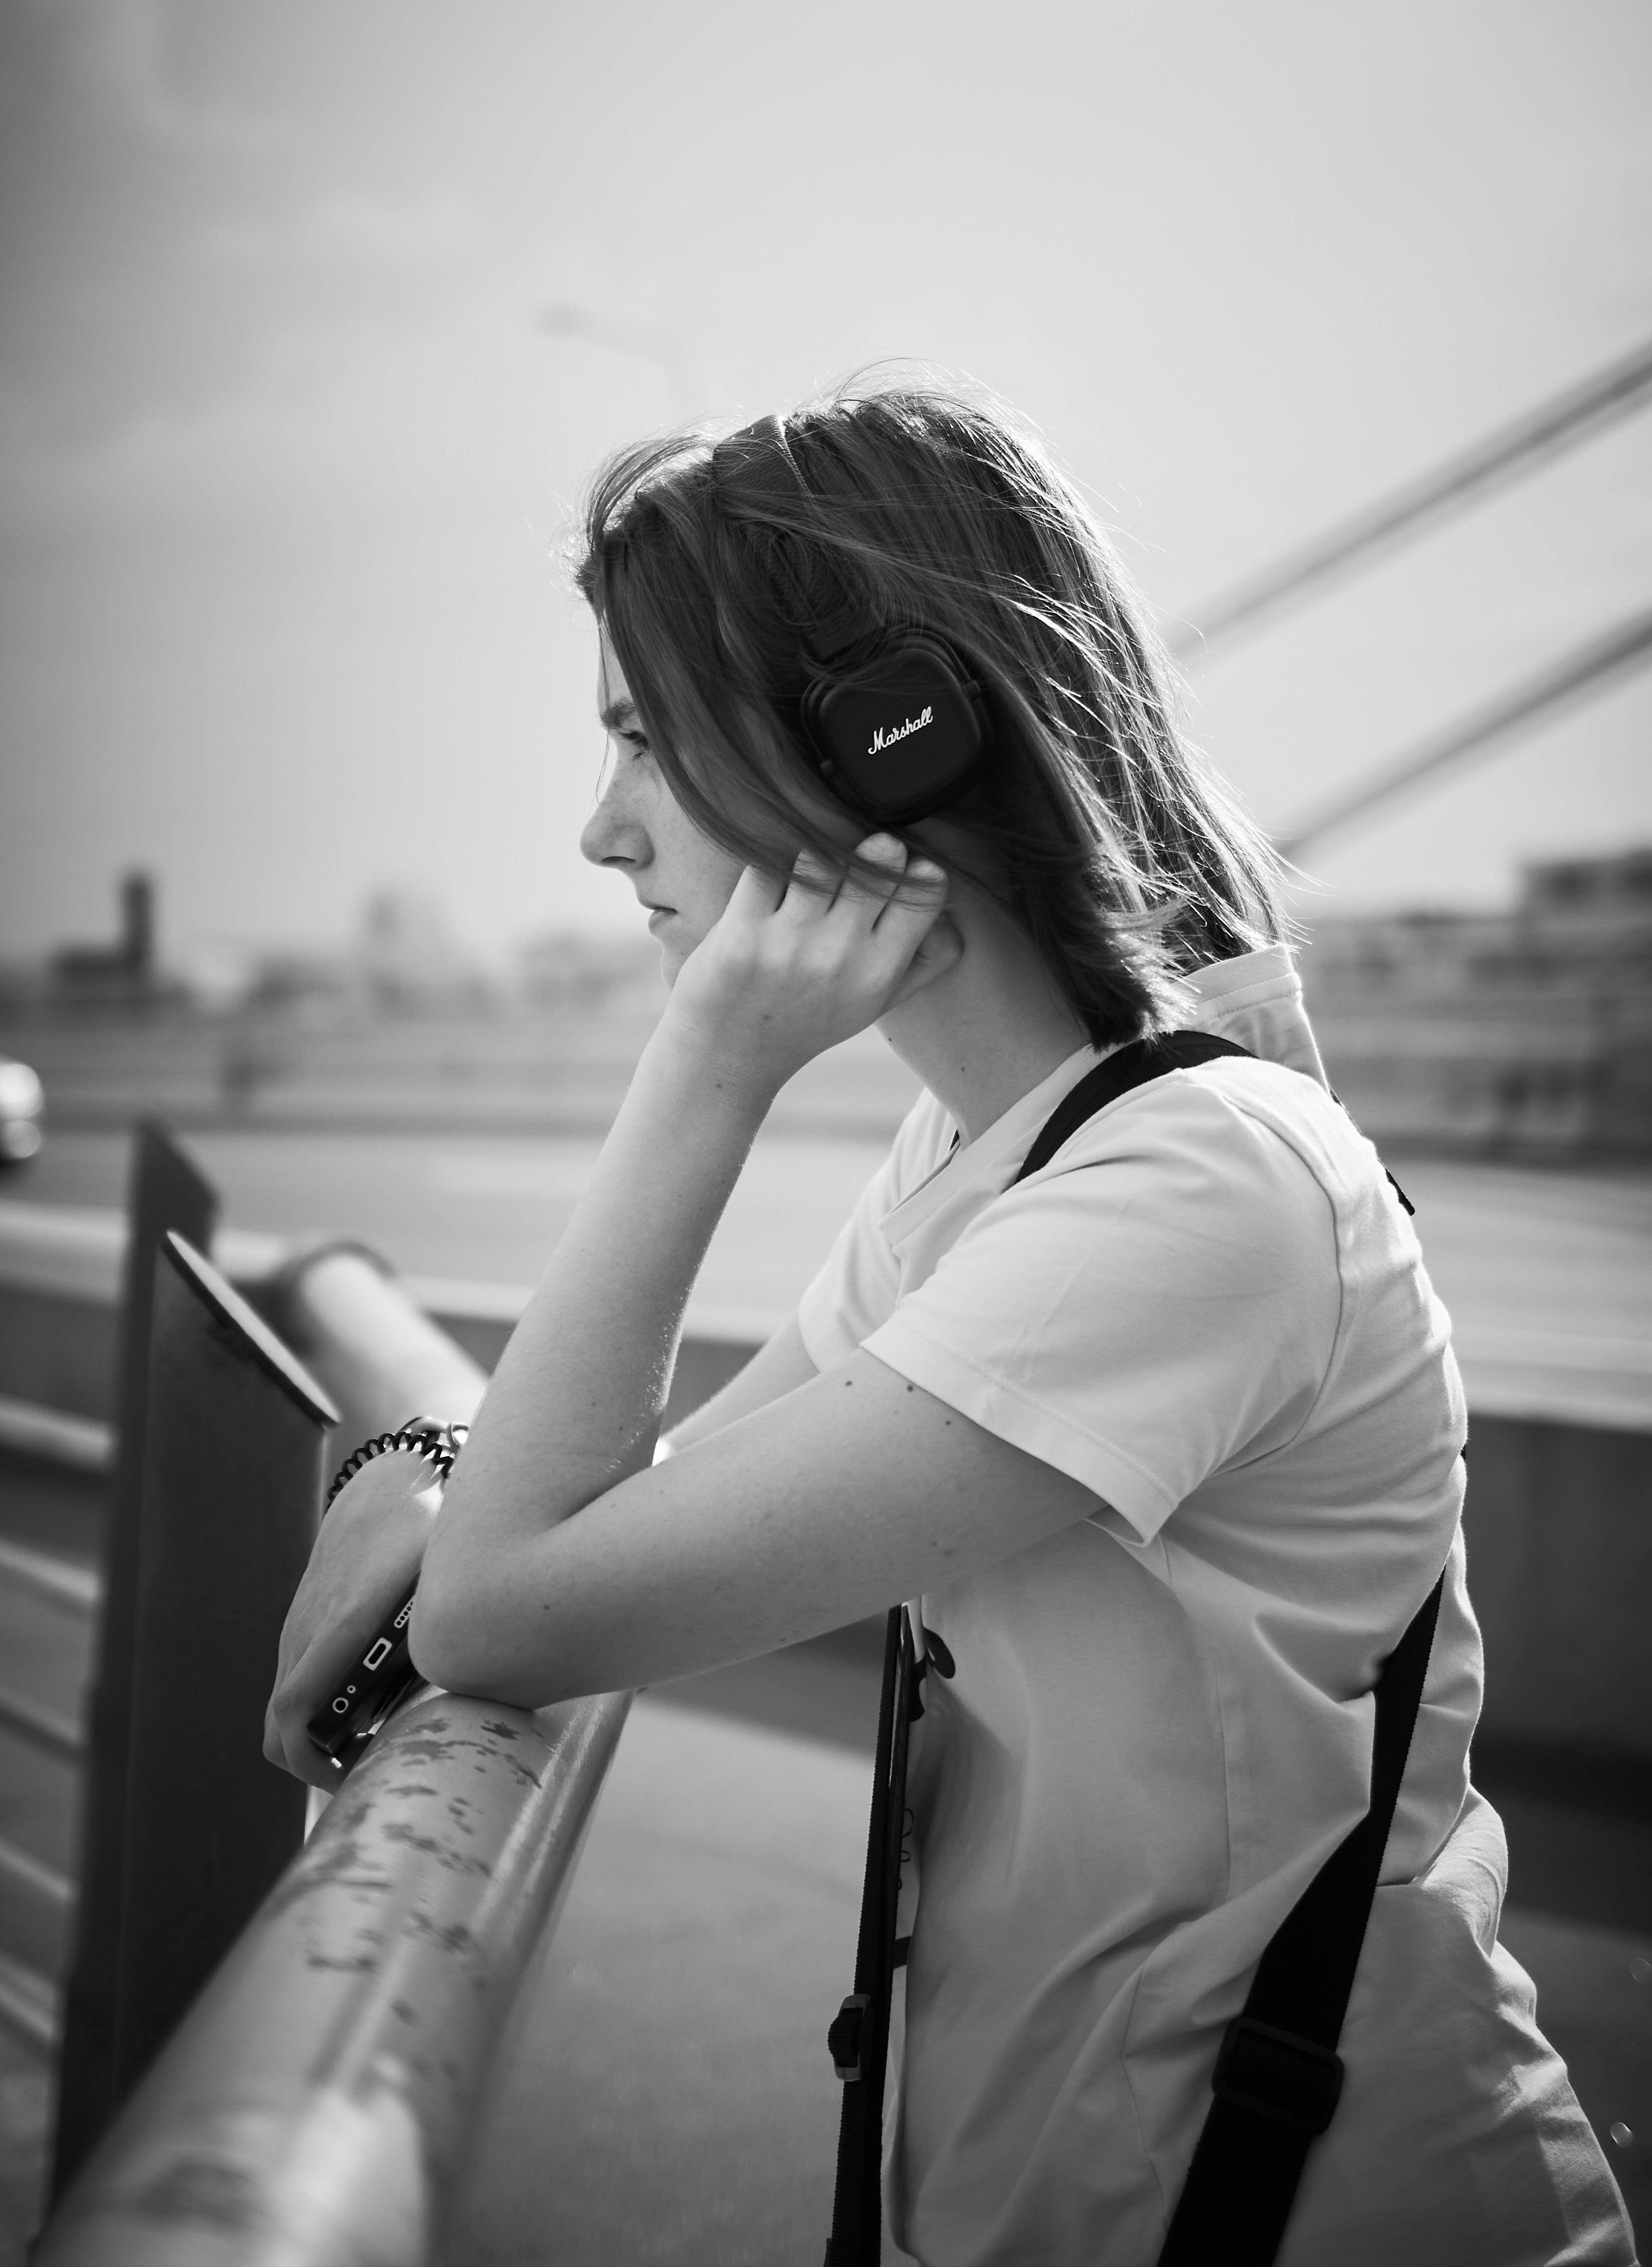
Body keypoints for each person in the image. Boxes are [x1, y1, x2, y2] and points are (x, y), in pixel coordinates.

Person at [266, 381, 1634, 2267]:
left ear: (883, 743)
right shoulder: (991, 1156)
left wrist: (708, 1067)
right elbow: (627, 1509)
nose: (599, 831)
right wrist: (437, 1470)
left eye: (647, 741)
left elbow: (509, 1609)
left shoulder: (1194, 1195)